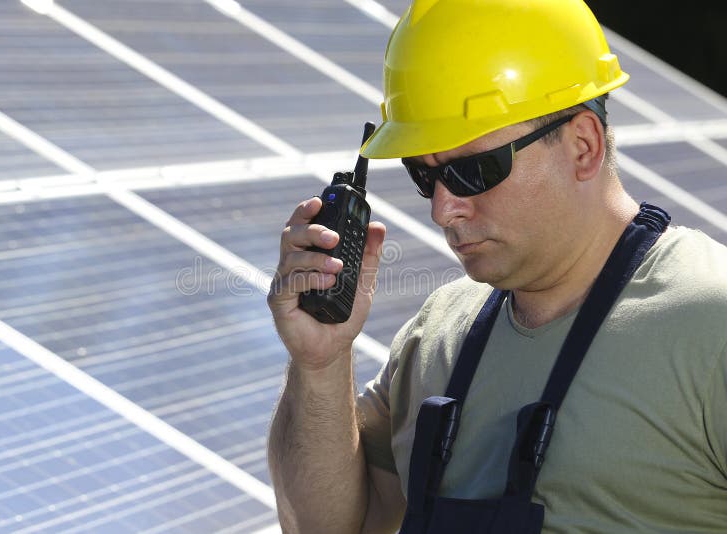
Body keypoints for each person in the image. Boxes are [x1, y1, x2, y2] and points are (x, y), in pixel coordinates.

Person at [266, 0, 727, 531]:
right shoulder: (436, 335)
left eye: (473, 170)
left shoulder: (710, 324)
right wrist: (320, 365)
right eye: (424, 177)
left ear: (583, 147)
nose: (442, 207)